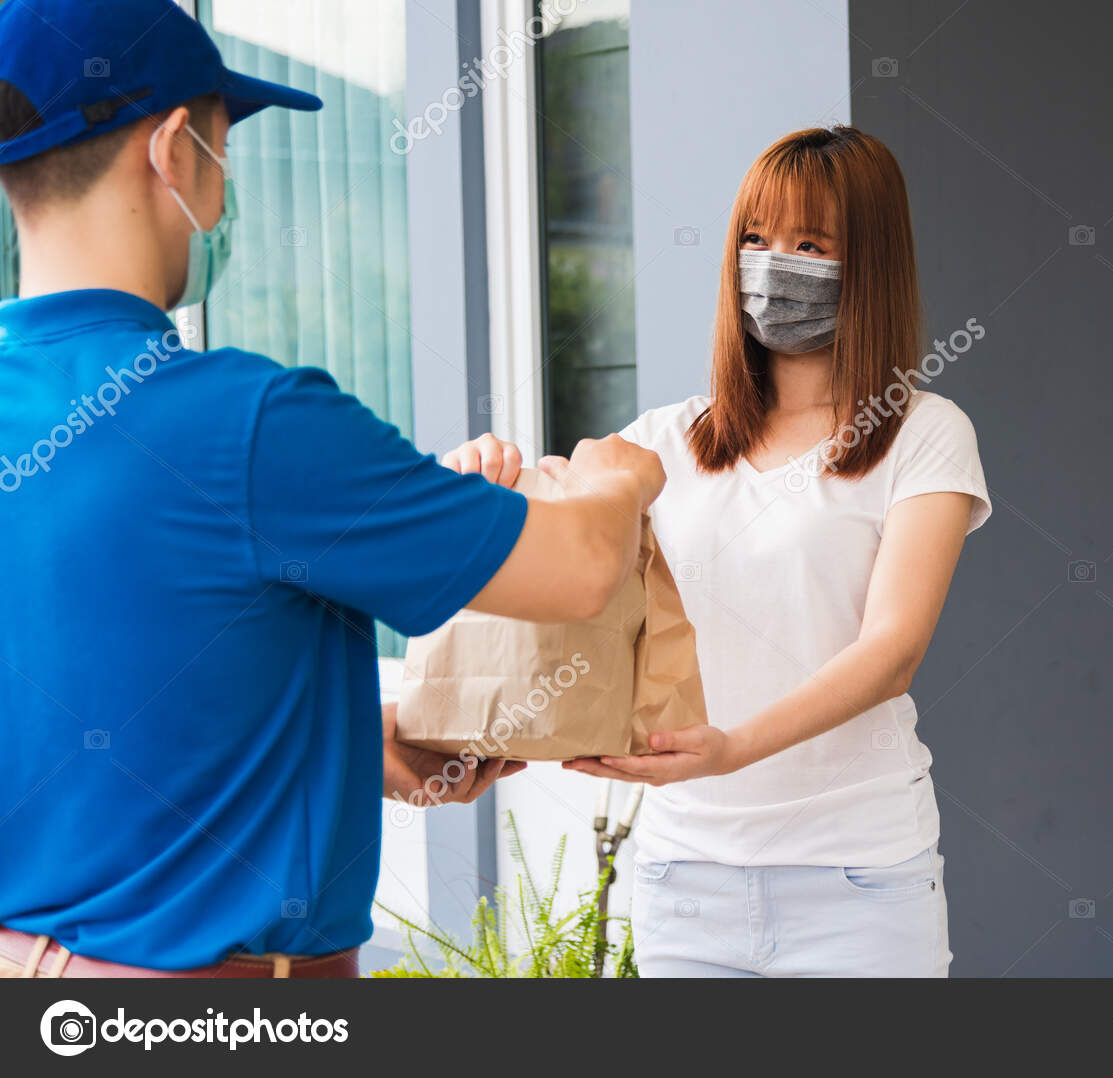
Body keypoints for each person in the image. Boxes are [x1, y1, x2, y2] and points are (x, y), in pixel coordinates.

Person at [0, 0, 662, 979]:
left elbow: (128, 661)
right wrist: (621, 475)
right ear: (174, 150)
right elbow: (578, 571)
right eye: (224, 153)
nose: (222, 192)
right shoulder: (253, 423)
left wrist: (366, 746)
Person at [454, 126, 990, 976]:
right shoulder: (664, 441)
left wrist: (732, 747)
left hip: (857, 883)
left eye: (809, 243)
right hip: (685, 880)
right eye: (755, 239)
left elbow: (893, 651)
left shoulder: (924, 435)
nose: (774, 265)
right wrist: (481, 486)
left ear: (871, 262)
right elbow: (554, 560)